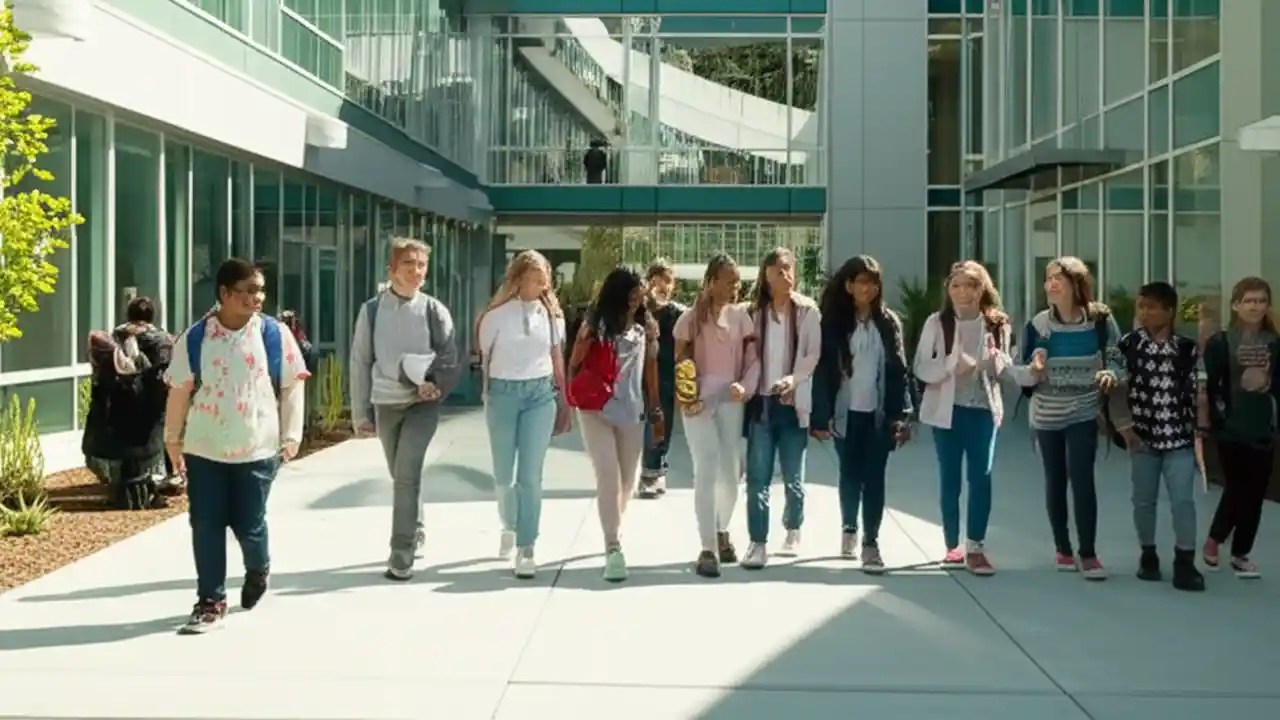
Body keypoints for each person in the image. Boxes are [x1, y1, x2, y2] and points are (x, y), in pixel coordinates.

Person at [164, 258, 310, 634]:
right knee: (206, 524)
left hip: (257, 447)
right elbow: (179, 391)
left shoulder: (274, 334)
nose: (256, 298)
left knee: (250, 524)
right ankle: (210, 601)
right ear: (225, 293)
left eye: (260, 290)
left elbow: (292, 385)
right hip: (204, 447)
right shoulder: (196, 337)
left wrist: (292, 436)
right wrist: (173, 440)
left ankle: (258, 567)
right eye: (247, 291)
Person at [350, 237, 461, 582]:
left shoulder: (434, 311)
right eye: (408, 264)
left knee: (407, 474)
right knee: (400, 474)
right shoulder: (371, 311)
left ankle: (401, 552)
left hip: (421, 405)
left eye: (421, 265)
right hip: (386, 404)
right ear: (392, 270)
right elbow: (360, 361)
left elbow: (450, 357)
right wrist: (360, 414)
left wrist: (434, 383)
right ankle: (416, 524)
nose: (416, 271)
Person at [1008, 256, 1124, 581]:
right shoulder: (1038, 325)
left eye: (1059, 277)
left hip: (1084, 410)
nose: (1051, 283)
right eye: (1048, 278)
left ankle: (1088, 553)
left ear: (1077, 284)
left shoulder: (1100, 320)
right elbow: (1019, 367)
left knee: (1083, 479)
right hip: (1046, 414)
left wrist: (1111, 374)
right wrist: (1033, 369)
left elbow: (1117, 357)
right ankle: (1063, 547)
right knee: (1055, 480)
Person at [811, 255, 912, 574]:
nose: (867, 289)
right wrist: (820, 417)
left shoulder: (888, 322)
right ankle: (849, 527)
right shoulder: (832, 324)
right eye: (861, 282)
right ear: (849, 285)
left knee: (875, 477)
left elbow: (899, 371)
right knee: (850, 473)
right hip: (844, 413)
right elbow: (822, 371)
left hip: (878, 414)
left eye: (873, 283)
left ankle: (871, 543)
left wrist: (900, 414)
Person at [913, 261, 1011, 576]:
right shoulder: (937, 323)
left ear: (982, 288)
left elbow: (1006, 365)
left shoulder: (996, 323)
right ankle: (952, 545)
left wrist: (989, 363)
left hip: (982, 410)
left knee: (981, 477)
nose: (962, 292)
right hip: (947, 411)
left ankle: (976, 547)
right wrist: (949, 367)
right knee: (950, 478)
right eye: (956, 285)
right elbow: (921, 366)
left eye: (970, 285)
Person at [1105, 281, 1205, 591]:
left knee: (1182, 501)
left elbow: (1200, 389)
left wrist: (1201, 428)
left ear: (1169, 311)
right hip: (1143, 437)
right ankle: (1148, 554)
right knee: (1143, 500)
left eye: (1152, 307)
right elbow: (1115, 382)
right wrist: (1123, 426)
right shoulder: (1128, 344)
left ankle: (1185, 560)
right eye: (1141, 307)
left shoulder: (1187, 348)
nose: (1144, 313)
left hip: (1179, 437)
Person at [477, 250, 569, 579]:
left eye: (544, 278)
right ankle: (509, 523)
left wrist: (564, 401)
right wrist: (488, 397)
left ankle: (526, 545)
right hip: (502, 394)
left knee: (530, 476)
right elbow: (485, 358)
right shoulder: (495, 317)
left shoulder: (553, 317)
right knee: (504, 475)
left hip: (540, 395)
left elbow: (557, 359)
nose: (541, 284)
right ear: (518, 279)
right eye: (534, 277)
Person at [567, 267, 662, 582]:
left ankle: (613, 527)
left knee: (627, 483)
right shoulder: (596, 324)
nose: (636, 300)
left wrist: (656, 408)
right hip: (596, 409)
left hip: (631, 411)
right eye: (631, 294)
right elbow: (575, 363)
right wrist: (569, 397)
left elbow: (650, 368)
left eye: (639, 295)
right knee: (608, 475)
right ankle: (613, 545)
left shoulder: (645, 326)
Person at [674, 253, 757, 578]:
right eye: (729, 282)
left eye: (738, 282)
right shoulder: (689, 320)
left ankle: (722, 530)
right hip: (698, 404)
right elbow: (680, 363)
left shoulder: (742, 318)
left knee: (731, 473)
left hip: (731, 401)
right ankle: (707, 547)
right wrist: (687, 397)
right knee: (706, 466)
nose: (735, 288)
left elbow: (753, 361)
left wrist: (745, 385)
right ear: (710, 282)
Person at [740, 248, 821, 569]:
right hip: (761, 403)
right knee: (757, 477)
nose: (785, 274)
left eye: (789, 268)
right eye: (778, 269)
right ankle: (757, 542)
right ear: (766, 275)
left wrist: (793, 379)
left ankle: (793, 528)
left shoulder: (808, 311)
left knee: (792, 476)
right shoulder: (752, 313)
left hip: (792, 402)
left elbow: (812, 355)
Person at [1202, 276, 1279, 579]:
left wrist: (1268, 383)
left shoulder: (1275, 343)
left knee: (1256, 492)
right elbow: (1211, 386)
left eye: (1260, 301)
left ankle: (1241, 553)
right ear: (1236, 305)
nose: (1255, 306)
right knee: (1237, 487)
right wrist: (1211, 420)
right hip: (1230, 427)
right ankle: (1214, 538)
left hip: (1263, 425)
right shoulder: (1221, 343)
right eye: (1249, 301)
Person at [82, 297, 174, 510]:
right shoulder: (161, 340)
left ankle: (124, 492)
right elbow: (165, 374)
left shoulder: (113, 339)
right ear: (151, 316)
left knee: (124, 455)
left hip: (116, 406)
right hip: (147, 408)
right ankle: (146, 493)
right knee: (145, 454)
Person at [640, 259, 687, 498]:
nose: (666, 287)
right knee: (642, 426)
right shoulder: (638, 310)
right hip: (639, 375)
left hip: (665, 376)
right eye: (662, 281)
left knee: (661, 425)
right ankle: (647, 472)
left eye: (670, 282)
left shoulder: (676, 313)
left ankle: (654, 473)